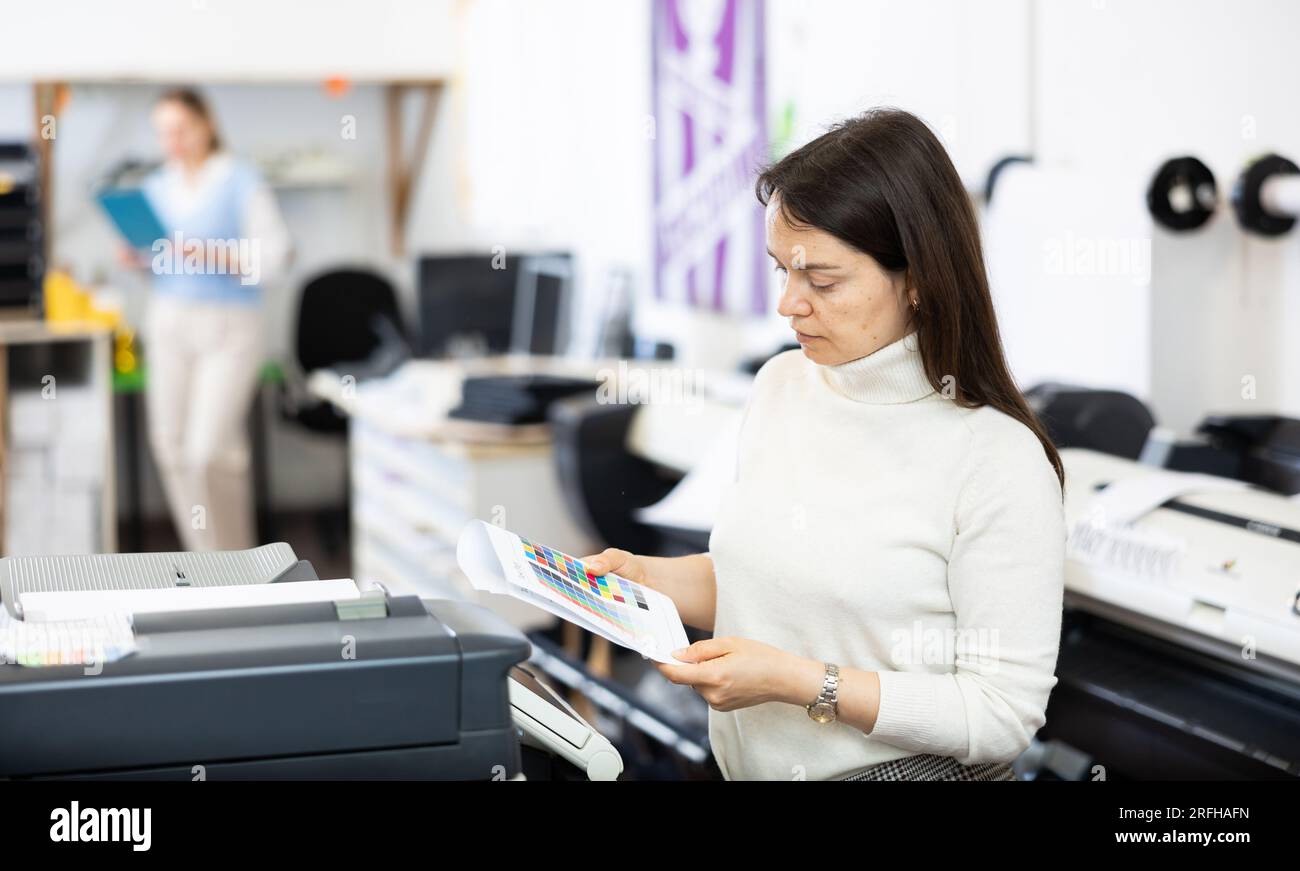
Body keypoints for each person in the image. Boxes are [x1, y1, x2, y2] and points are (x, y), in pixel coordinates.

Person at [582, 109, 1066, 781]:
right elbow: (773, 582)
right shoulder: (781, 384)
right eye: (781, 269)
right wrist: (646, 580)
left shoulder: (998, 461)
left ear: (919, 277)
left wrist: (800, 681)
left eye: (822, 281)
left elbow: (1000, 712)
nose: (788, 304)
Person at [124, 87, 291, 551]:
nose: (172, 141)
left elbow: (276, 258)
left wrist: (212, 253)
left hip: (229, 325)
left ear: (207, 124)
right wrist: (140, 258)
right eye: (163, 132)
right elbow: (163, 266)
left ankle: (238, 570)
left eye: (181, 129)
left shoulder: (241, 181)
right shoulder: (157, 186)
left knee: (209, 452)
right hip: (171, 320)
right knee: (171, 446)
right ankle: (207, 566)